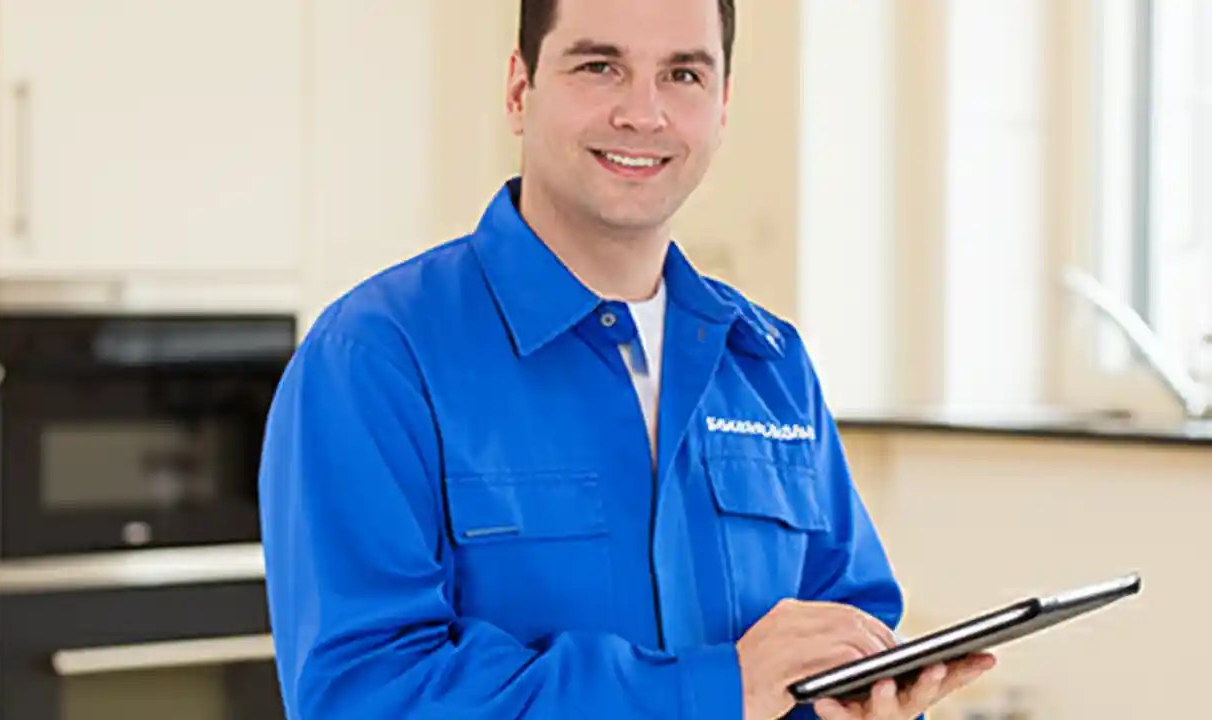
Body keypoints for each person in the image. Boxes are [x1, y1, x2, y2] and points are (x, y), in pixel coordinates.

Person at [258, 0, 995, 717]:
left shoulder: (769, 366)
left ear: (722, 106)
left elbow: (844, 634)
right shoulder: (374, 361)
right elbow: (366, 695)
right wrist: (715, 690)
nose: (644, 114)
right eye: (600, 66)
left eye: (683, 75)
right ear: (520, 90)